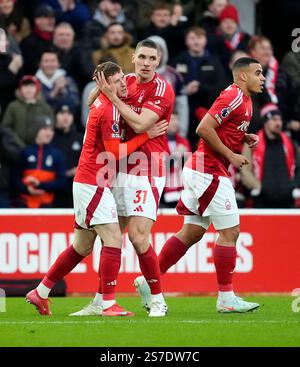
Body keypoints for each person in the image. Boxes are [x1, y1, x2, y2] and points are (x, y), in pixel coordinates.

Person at [25, 61, 168, 316]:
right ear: (105, 85)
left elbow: (96, 100)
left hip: (88, 181)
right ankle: (107, 303)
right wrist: (146, 135)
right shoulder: (110, 110)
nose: (124, 84)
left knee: (81, 245)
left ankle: (41, 292)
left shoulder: (101, 102)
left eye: (124, 78)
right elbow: (113, 153)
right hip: (94, 181)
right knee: (113, 238)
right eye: (117, 82)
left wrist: (102, 89)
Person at [134, 57, 265, 313]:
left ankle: (150, 282)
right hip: (209, 171)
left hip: (200, 169)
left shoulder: (245, 100)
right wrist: (230, 154)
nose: (262, 77)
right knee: (230, 232)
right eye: (258, 73)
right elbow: (203, 128)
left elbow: (221, 127)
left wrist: (242, 135)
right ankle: (226, 299)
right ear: (242, 76)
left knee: (192, 232)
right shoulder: (234, 97)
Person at [72, 39, 175, 317]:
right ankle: (100, 300)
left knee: (139, 238)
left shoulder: (163, 90)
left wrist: (114, 98)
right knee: (111, 238)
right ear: (133, 57)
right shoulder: (125, 81)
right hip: (118, 167)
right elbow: (94, 101)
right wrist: (100, 91)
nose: (146, 63)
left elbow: (142, 124)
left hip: (147, 169)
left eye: (152, 58)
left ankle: (157, 299)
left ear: (158, 61)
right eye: (141, 57)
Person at [241, 104, 300, 209]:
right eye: (274, 119)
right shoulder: (252, 143)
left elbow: (298, 168)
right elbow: (245, 171)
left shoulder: (290, 142)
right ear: (265, 122)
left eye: (280, 120)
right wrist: (258, 187)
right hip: (262, 201)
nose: (278, 123)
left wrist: (293, 186)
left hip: (287, 202)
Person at [15, 117, 67, 208]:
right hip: (24, 205)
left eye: (51, 130)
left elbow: (62, 182)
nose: (49, 133)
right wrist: (27, 189)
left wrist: (40, 185)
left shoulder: (57, 154)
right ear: (36, 131)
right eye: (44, 129)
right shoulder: (25, 152)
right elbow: (14, 179)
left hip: (47, 206)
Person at [1, 74, 54, 148]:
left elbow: (50, 128)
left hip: (39, 149)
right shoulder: (13, 106)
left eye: (32, 86)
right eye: (25, 86)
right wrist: (18, 143)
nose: (28, 89)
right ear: (20, 89)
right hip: (16, 148)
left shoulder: (45, 107)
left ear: (37, 88)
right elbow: (5, 127)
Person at [52, 105, 83, 208]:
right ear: (55, 116)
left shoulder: (79, 137)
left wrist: (80, 169)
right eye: (61, 113)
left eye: (69, 114)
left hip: (75, 188)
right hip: (53, 188)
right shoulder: (50, 137)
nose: (65, 117)